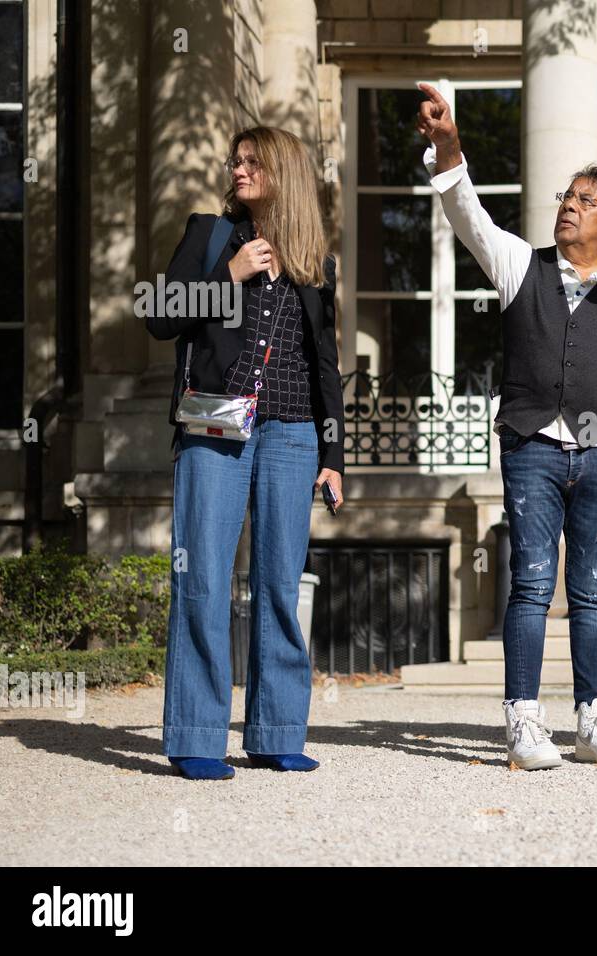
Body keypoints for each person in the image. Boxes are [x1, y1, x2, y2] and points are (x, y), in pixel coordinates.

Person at [416, 84, 597, 770]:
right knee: (533, 584)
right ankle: (523, 720)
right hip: (531, 445)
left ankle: (593, 720)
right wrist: (449, 148)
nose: (569, 204)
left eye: (586, 201)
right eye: (567, 196)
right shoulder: (518, 264)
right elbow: (467, 214)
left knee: (590, 592)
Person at [148, 127, 345, 780]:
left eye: (252, 161)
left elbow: (324, 363)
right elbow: (159, 315)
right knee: (203, 578)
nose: (238, 169)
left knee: (280, 585)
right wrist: (228, 276)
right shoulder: (210, 236)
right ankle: (197, 738)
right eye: (235, 161)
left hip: (292, 433)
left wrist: (334, 453)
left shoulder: (315, 260)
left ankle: (276, 732)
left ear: (282, 172)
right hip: (214, 423)